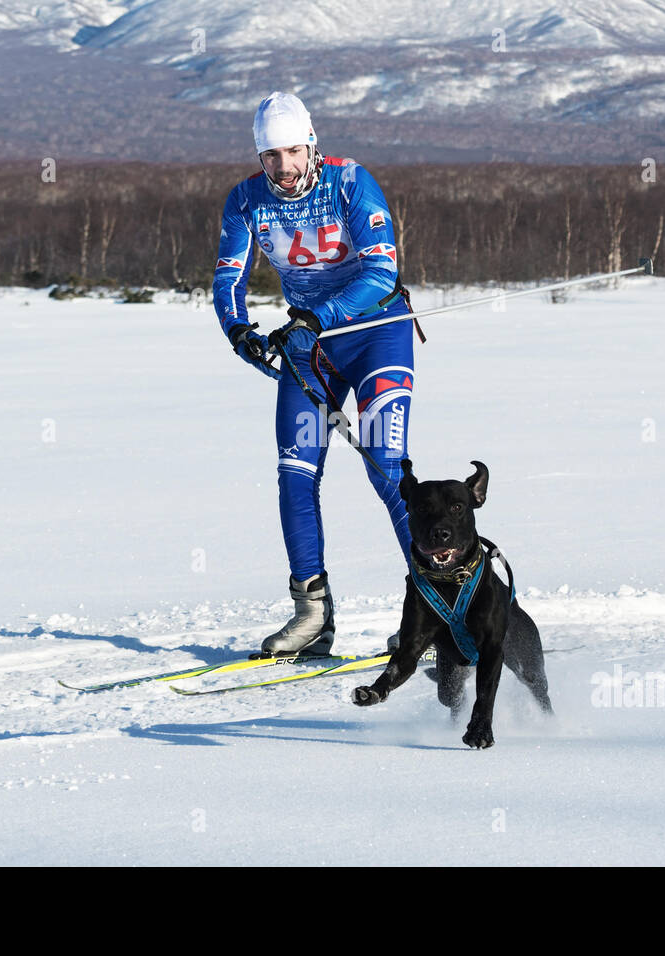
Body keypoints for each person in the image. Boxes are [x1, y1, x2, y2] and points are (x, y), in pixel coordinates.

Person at [213, 91, 416, 657]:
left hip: (375, 334)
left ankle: (434, 604)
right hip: (310, 350)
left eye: (292, 151)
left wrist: (314, 317)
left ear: (312, 144)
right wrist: (239, 332)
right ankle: (312, 614)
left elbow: (380, 272)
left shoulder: (351, 182)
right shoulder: (246, 201)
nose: (283, 166)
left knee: (386, 465)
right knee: (295, 471)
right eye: (271, 156)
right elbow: (228, 277)